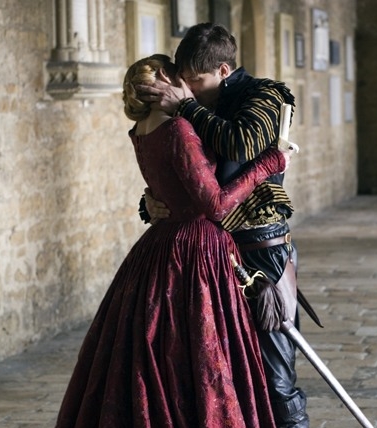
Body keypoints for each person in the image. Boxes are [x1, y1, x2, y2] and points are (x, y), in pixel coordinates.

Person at [55, 54, 291, 428]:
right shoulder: (179, 128)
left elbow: (169, 184)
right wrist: (269, 164)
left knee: (158, 349)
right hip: (197, 249)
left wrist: (153, 200)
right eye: (179, 76)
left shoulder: (140, 130)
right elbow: (215, 205)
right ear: (166, 78)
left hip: (159, 245)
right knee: (201, 357)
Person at [136, 23, 312, 428]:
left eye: (196, 81)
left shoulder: (265, 95)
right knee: (225, 378)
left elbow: (240, 144)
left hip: (261, 250)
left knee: (275, 378)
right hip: (210, 256)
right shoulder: (195, 104)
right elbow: (187, 173)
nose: (190, 90)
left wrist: (186, 107)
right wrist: (154, 203)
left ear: (223, 70)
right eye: (185, 82)